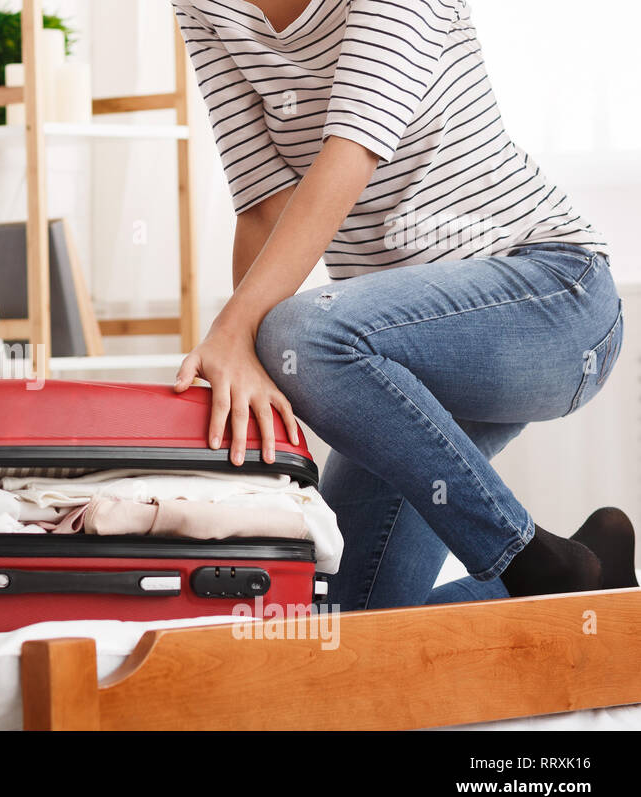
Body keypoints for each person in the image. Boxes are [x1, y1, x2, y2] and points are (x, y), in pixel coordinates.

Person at [172, 0, 637, 609]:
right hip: (397, 355)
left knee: (298, 335)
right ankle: (587, 581)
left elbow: (352, 152)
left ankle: (530, 557)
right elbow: (263, 204)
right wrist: (243, 370)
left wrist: (239, 334)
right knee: (341, 624)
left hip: (549, 299)